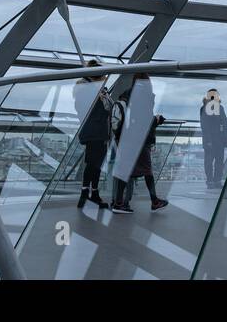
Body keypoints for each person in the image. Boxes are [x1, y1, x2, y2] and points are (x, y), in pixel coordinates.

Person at [110, 75, 168, 213]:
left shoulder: (127, 95)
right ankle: (154, 201)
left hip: (126, 139)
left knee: (126, 170)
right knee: (147, 170)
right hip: (139, 140)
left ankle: (118, 202)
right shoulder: (142, 96)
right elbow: (144, 120)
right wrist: (157, 120)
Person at [72, 60, 111, 208]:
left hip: (94, 131)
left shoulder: (87, 90)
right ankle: (89, 194)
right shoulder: (89, 91)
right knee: (94, 163)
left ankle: (89, 193)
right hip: (96, 132)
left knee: (94, 163)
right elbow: (99, 111)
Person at [199, 88, 227, 189]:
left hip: (219, 139)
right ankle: (210, 181)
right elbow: (205, 126)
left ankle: (217, 180)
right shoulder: (205, 108)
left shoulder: (220, 108)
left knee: (218, 161)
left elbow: (225, 123)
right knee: (209, 161)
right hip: (211, 139)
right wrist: (208, 140)